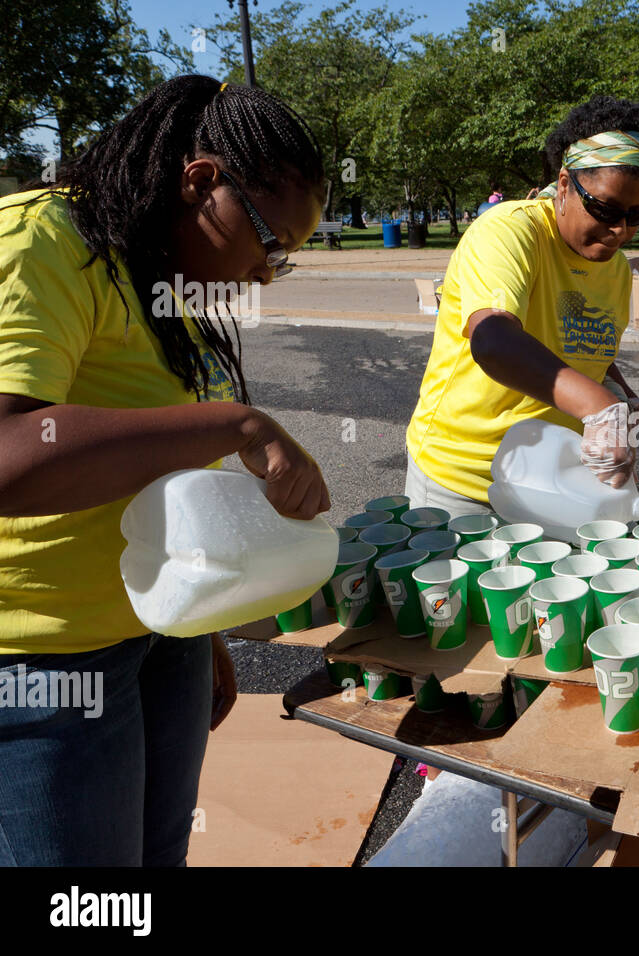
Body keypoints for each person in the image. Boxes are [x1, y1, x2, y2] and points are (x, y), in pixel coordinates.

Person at [0, 76, 331, 866]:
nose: (264, 274)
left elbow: (155, 467)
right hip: (49, 659)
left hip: (160, 623)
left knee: (154, 862)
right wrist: (237, 423)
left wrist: (201, 620)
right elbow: (9, 454)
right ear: (201, 182)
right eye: (269, 244)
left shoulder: (155, 267)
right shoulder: (43, 243)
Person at [405, 96, 639, 516]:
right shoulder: (509, 231)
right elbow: (493, 339)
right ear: (565, 186)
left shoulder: (616, 269)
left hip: (551, 480)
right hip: (465, 484)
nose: (620, 230)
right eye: (606, 209)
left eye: (638, 214)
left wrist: (618, 391)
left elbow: (580, 348)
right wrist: (599, 406)